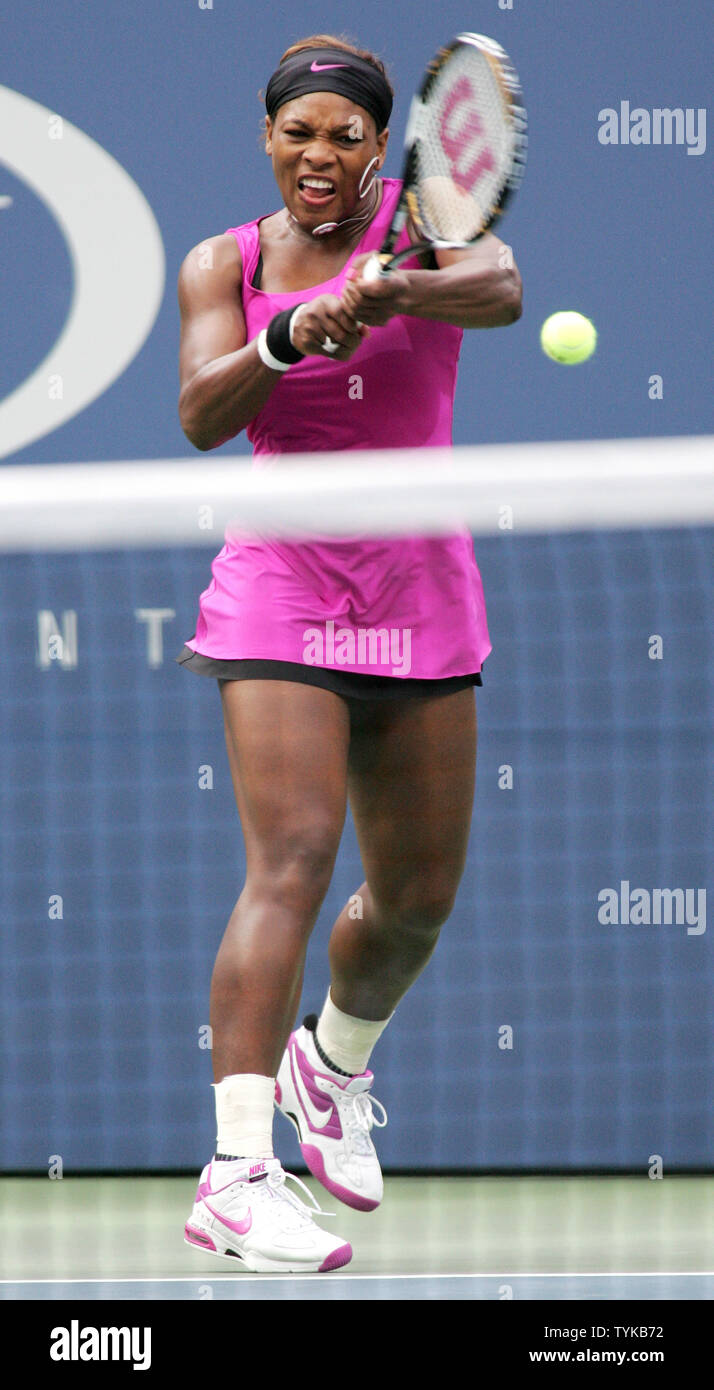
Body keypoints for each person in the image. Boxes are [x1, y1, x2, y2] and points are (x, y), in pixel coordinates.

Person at [176, 33, 522, 1273]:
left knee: (417, 900)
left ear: (383, 146)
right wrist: (285, 339)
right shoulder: (221, 261)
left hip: (419, 581)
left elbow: (502, 287)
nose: (316, 156)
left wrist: (393, 291)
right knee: (298, 855)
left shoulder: (424, 229)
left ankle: (330, 1065)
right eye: (296, 132)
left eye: (342, 135)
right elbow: (200, 413)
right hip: (280, 579)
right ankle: (235, 1172)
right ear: (267, 138)